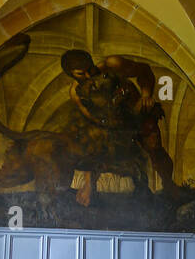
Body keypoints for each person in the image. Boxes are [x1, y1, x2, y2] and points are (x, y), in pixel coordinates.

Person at [60, 50, 175, 194]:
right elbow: (92, 119)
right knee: (113, 157)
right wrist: (109, 126)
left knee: (154, 148)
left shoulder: (112, 64)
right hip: (115, 125)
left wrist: (146, 94)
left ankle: (169, 185)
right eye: (81, 74)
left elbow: (144, 70)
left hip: (137, 112)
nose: (88, 75)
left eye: (89, 69)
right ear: (71, 74)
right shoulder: (76, 93)